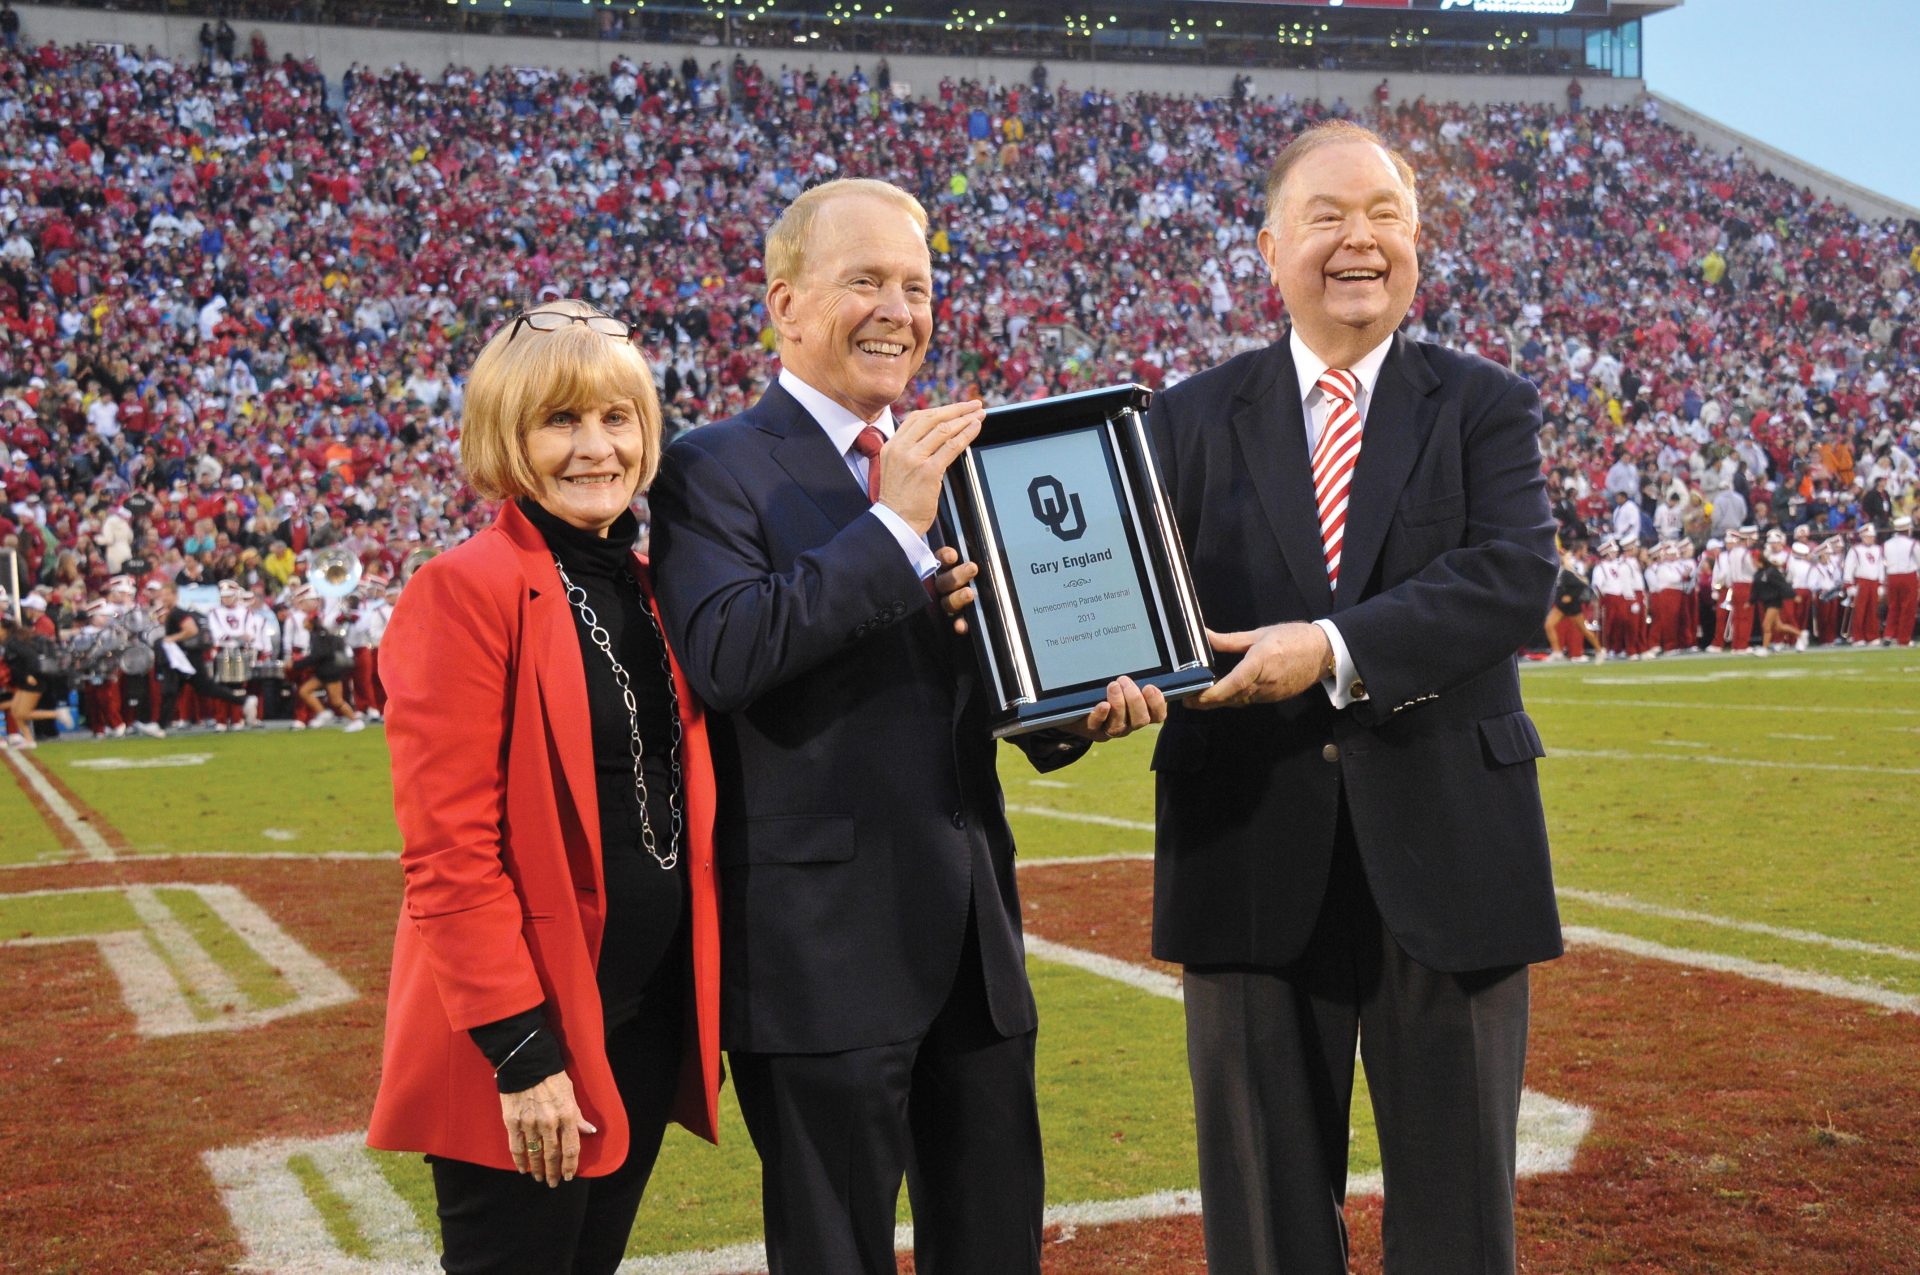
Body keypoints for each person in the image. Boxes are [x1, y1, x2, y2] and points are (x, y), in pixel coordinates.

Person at [649, 178, 1164, 1275]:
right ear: (785, 306)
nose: (899, 308)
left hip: (972, 938)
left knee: (993, 1248)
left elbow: (1004, 688)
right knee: (834, 1253)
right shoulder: (709, 465)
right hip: (818, 954)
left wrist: (1085, 700)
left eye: (918, 286)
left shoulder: (963, 455)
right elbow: (731, 654)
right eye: (865, 281)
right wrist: (893, 528)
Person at [1143, 121, 1560, 1274]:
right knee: (1265, 1222)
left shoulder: (1485, 406)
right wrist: (1075, 693)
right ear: (1270, 248)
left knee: (1460, 1219)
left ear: (1418, 243)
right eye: (1326, 216)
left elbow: (1512, 578)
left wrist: (1328, 648)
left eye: (1384, 214)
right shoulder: (1181, 419)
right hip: (1246, 847)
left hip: (1451, 853)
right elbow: (1132, 613)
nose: (1358, 239)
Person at [366, 299, 723, 1273]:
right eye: (561, 420)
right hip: (527, 1038)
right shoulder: (462, 589)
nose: (595, 447)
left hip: (641, 1027)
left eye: (617, 419)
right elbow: (448, 852)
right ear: (507, 437)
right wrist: (523, 1056)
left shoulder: (655, 588)